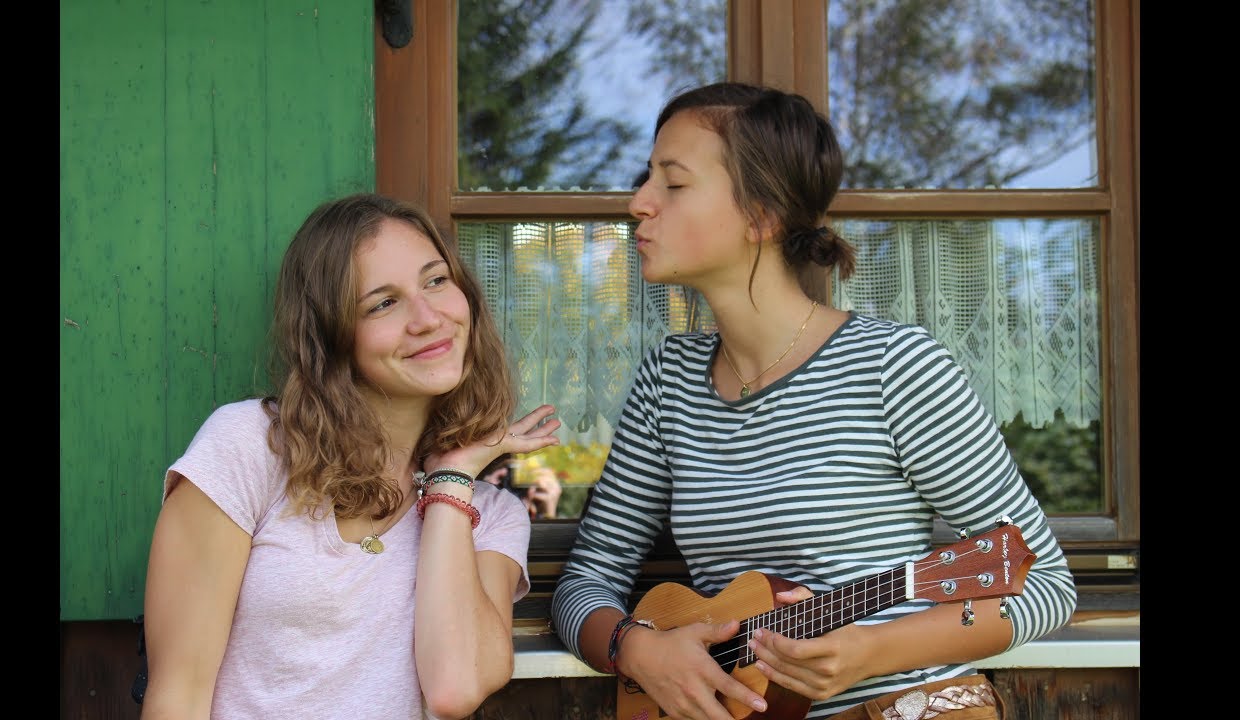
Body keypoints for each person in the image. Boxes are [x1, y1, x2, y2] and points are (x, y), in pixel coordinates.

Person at [549, 82, 1076, 720]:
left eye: (674, 182)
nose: (639, 202)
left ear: (762, 216)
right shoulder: (668, 382)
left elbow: (1046, 585)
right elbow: (588, 578)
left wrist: (871, 651)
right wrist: (636, 649)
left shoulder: (893, 367)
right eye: (646, 179)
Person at [140, 192, 561, 719]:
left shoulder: (489, 514)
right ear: (333, 336)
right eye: (383, 303)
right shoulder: (249, 449)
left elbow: (455, 688)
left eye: (436, 281)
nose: (428, 318)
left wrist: (450, 479)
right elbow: (177, 698)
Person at [478, 453, 563, 520]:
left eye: (523, 477)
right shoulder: (480, 493)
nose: (512, 484)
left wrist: (547, 514)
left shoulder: (534, 508)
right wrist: (481, 492)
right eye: (505, 478)